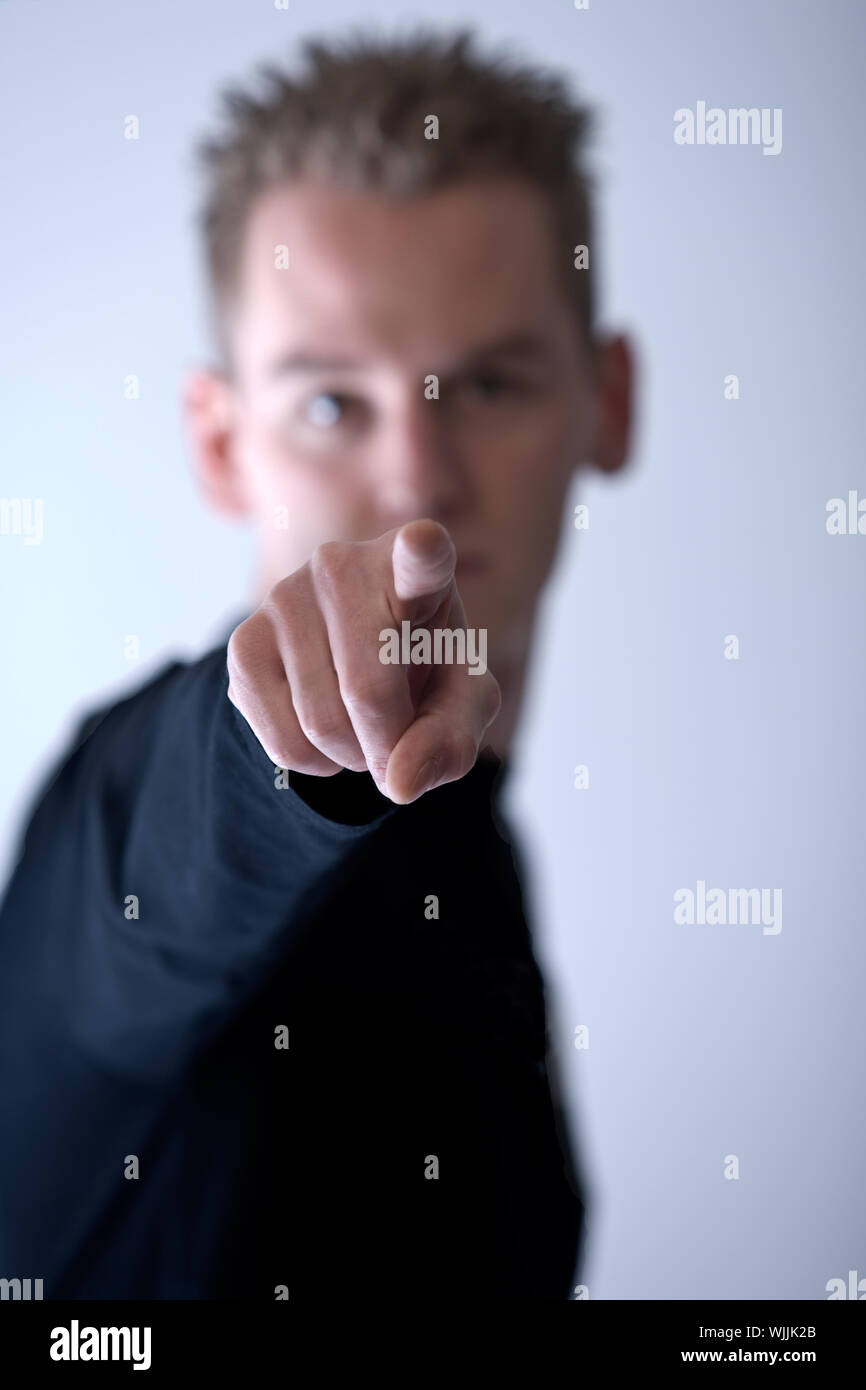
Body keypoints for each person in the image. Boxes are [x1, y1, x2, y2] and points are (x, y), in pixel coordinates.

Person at [0, 28, 633, 1300]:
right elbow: (175, 846)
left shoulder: (477, 872)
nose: (416, 479)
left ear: (607, 402)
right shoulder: (124, 809)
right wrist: (292, 754)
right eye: (332, 403)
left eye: (490, 383)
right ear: (222, 444)